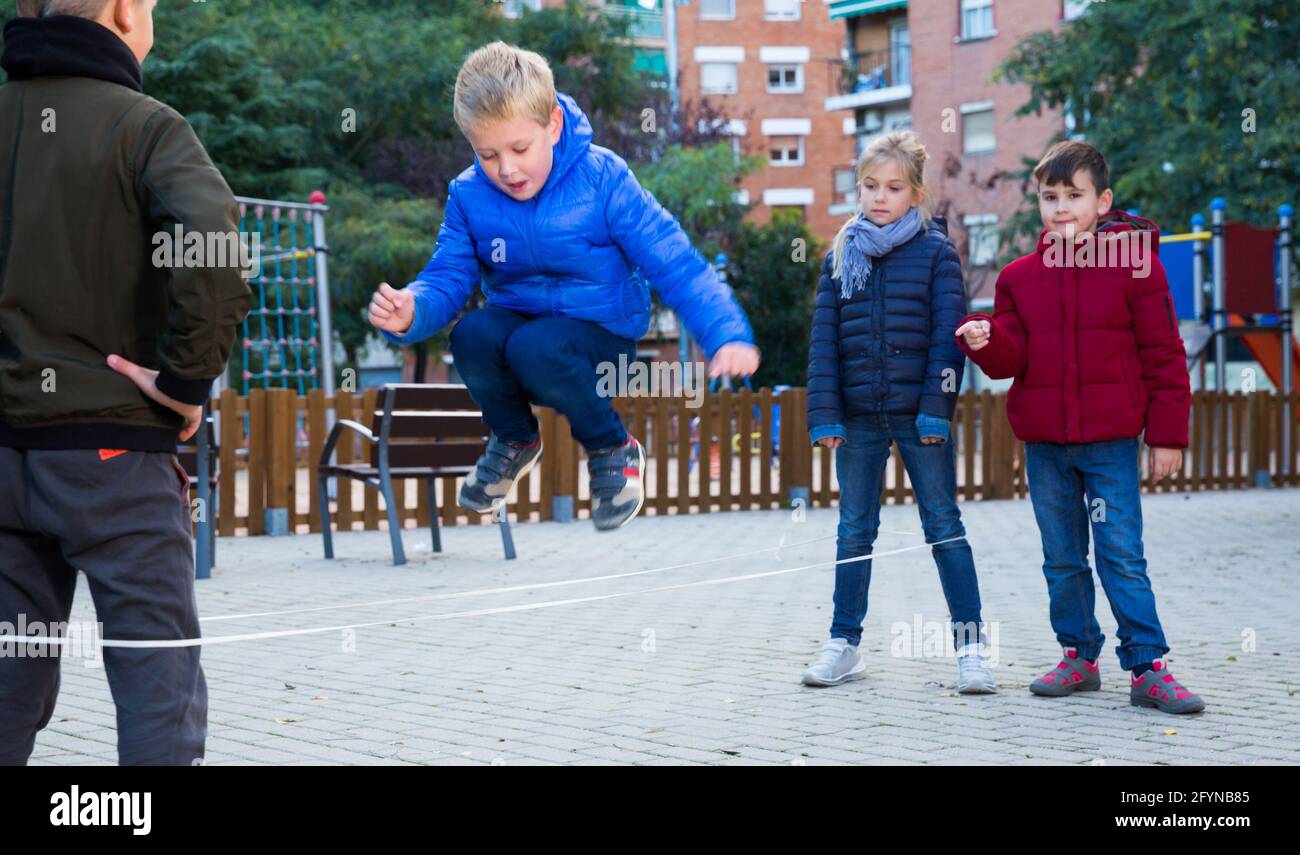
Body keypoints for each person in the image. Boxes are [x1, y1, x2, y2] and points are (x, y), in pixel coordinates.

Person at [0, 0, 253, 764]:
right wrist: (184, 380)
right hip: (114, 457)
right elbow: (212, 246)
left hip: (4, 456)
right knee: (156, 677)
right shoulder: (145, 127)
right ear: (121, 12)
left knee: (7, 680)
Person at [366, 41, 759, 531]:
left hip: (601, 348)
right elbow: (449, 274)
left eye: (519, 149)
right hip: (525, 342)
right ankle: (514, 440)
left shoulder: (603, 179)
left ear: (552, 126)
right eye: (487, 154)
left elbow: (674, 261)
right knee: (471, 335)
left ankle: (613, 447)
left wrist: (725, 332)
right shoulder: (468, 194)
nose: (506, 169)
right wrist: (414, 308)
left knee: (538, 344)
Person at [954, 140, 1203, 714]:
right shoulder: (1019, 277)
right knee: (1061, 556)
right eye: (1050, 196)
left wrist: (1168, 435)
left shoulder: (1136, 269)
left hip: (1111, 444)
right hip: (1046, 447)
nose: (1061, 207)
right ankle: (1078, 656)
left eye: (1074, 195)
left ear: (1102, 200)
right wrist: (986, 340)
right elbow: (1012, 359)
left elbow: (1164, 352)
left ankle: (1148, 666)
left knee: (1120, 553)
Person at [801, 131, 994, 694]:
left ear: (914, 193)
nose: (879, 197)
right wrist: (826, 416)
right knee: (853, 530)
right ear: (858, 189)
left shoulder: (936, 253)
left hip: (918, 417)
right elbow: (823, 343)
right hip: (858, 418)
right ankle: (844, 644)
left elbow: (947, 339)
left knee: (943, 527)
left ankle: (972, 648)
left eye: (893, 187)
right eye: (869, 186)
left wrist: (937, 411)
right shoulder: (841, 254)